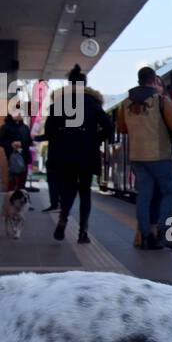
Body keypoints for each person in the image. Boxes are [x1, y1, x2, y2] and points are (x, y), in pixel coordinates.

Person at [40, 65, 114, 244]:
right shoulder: (92, 103)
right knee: (85, 193)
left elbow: (49, 131)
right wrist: (95, 139)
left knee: (68, 190)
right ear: (85, 85)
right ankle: (83, 233)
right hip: (87, 154)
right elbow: (109, 127)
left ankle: (63, 219)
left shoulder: (60, 103)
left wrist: (61, 137)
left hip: (65, 155)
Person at [117, 65, 172, 250]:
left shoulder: (125, 104)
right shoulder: (160, 100)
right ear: (154, 79)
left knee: (144, 196)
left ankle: (146, 237)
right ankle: (165, 232)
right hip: (159, 155)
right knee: (170, 190)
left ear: (139, 80)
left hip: (137, 157)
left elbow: (122, 129)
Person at [0, 111, 32, 200]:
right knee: (12, 181)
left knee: (22, 182)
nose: (19, 114)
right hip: (12, 157)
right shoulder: (5, 127)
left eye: (21, 113)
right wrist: (11, 144)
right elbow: (1, 142)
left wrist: (21, 143)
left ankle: (23, 201)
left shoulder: (25, 127)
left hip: (24, 157)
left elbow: (29, 142)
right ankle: (10, 201)